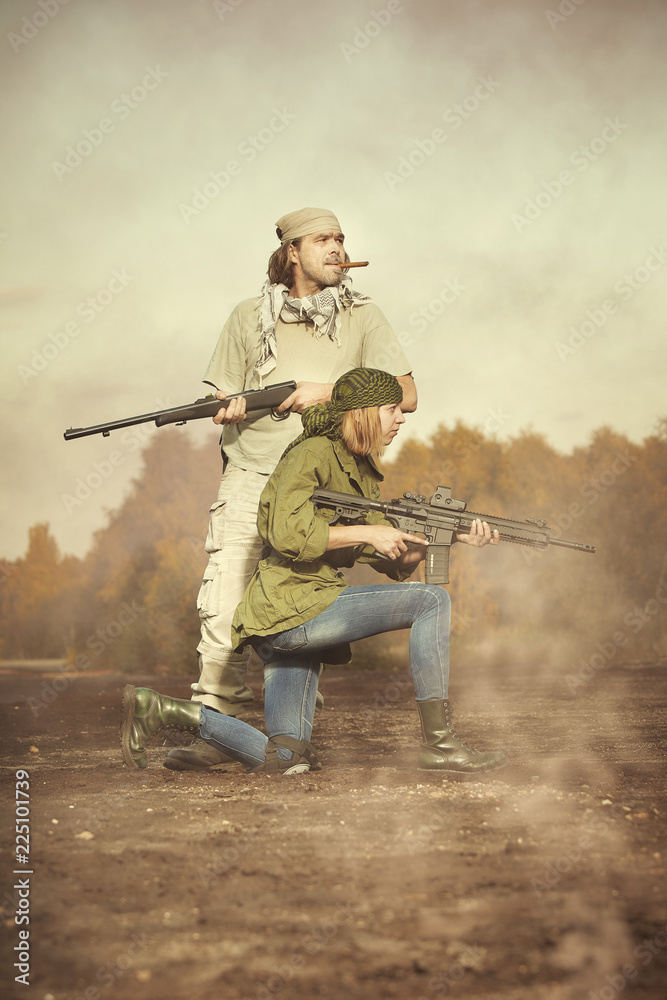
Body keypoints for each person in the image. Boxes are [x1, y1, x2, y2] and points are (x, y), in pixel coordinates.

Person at [123, 368, 505, 777]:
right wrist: (368, 531)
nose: (401, 418)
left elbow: (390, 559)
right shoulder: (312, 453)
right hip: (290, 606)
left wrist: (448, 538)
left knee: (287, 758)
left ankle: (162, 710)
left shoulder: (361, 470)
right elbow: (283, 531)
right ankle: (440, 745)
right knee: (431, 600)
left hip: (300, 615)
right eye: (392, 409)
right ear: (361, 413)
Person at [164, 207, 416, 772]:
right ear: (292, 252)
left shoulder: (363, 315)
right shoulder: (247, 315)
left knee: (301, 602)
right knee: (225, 602)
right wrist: (228, 406)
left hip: (323, 483)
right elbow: (223, 395)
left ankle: (289, 730)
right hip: (250, 472)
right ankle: (216, 725)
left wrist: (323, 391)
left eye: (341, 238)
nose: (337, 248)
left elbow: (407, 393)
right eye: (322, 239)